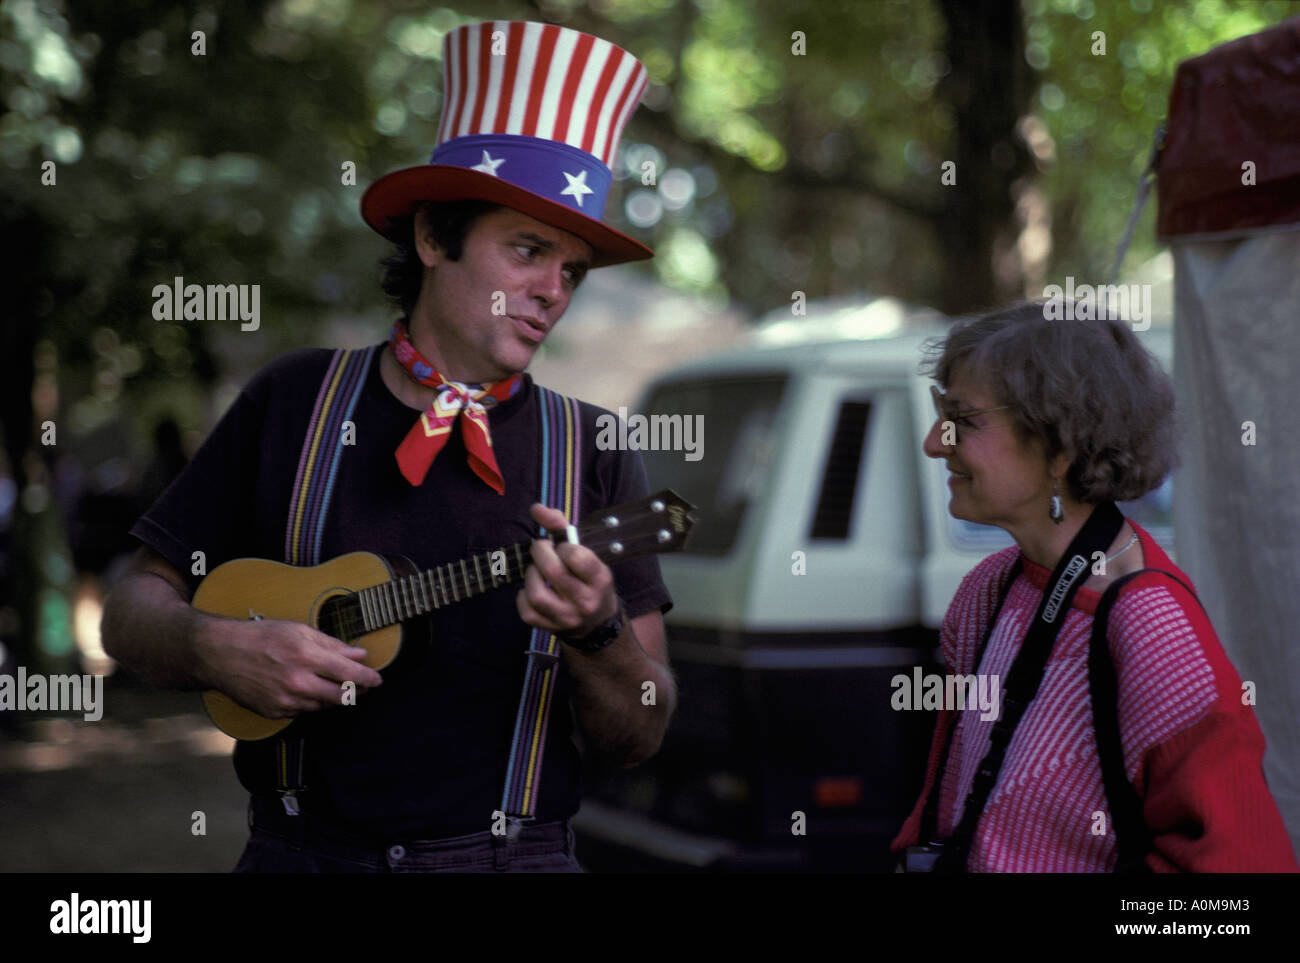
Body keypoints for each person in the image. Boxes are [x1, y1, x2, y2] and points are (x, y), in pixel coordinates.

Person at [101, 20, 676, 873]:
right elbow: (127, 609)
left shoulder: (590, 446)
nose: (553, 290)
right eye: (528, 249)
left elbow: (645, 726)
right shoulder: (292, 399)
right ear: (434, 238)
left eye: (572, 268)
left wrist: (597, 633)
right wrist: (210, 644)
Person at [891, 302, 1297, 872]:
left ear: (1061, 447)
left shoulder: (1151, 628)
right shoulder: (987, 591)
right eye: (941, 412)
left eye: (963, 419)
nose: (936, 441)